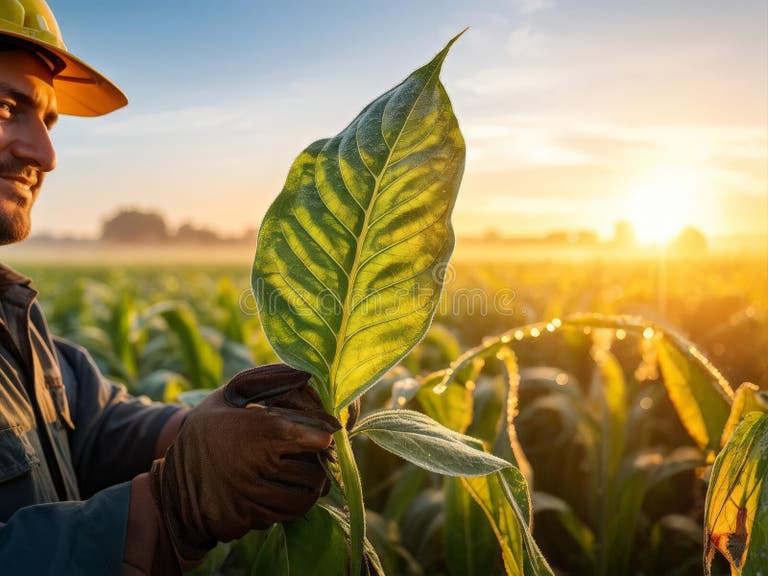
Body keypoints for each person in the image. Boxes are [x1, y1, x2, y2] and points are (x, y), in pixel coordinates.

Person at [0, 1, 340, 574]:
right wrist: (174, 506)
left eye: (49, 122)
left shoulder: (15, 320)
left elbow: (93, 427)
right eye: (6, 108)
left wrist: (232, 429)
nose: (47, 154)